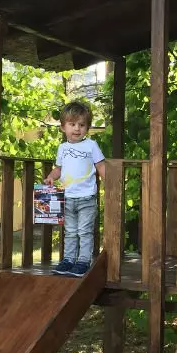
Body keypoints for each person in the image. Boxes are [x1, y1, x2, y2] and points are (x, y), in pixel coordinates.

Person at [44, 101, 105, 277]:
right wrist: (50, 177)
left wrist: (111, 184)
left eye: (81, 125)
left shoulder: (91, 145)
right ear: (63, 127)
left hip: (87, 197)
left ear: (87, 128)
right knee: (70, 231)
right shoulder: (62, 148)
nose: (77, 129)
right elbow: (59, 169)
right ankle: (68, 260)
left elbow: (101, 166)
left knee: (84, 231)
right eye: (72, 124)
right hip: (67, 197)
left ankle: (83, 261)